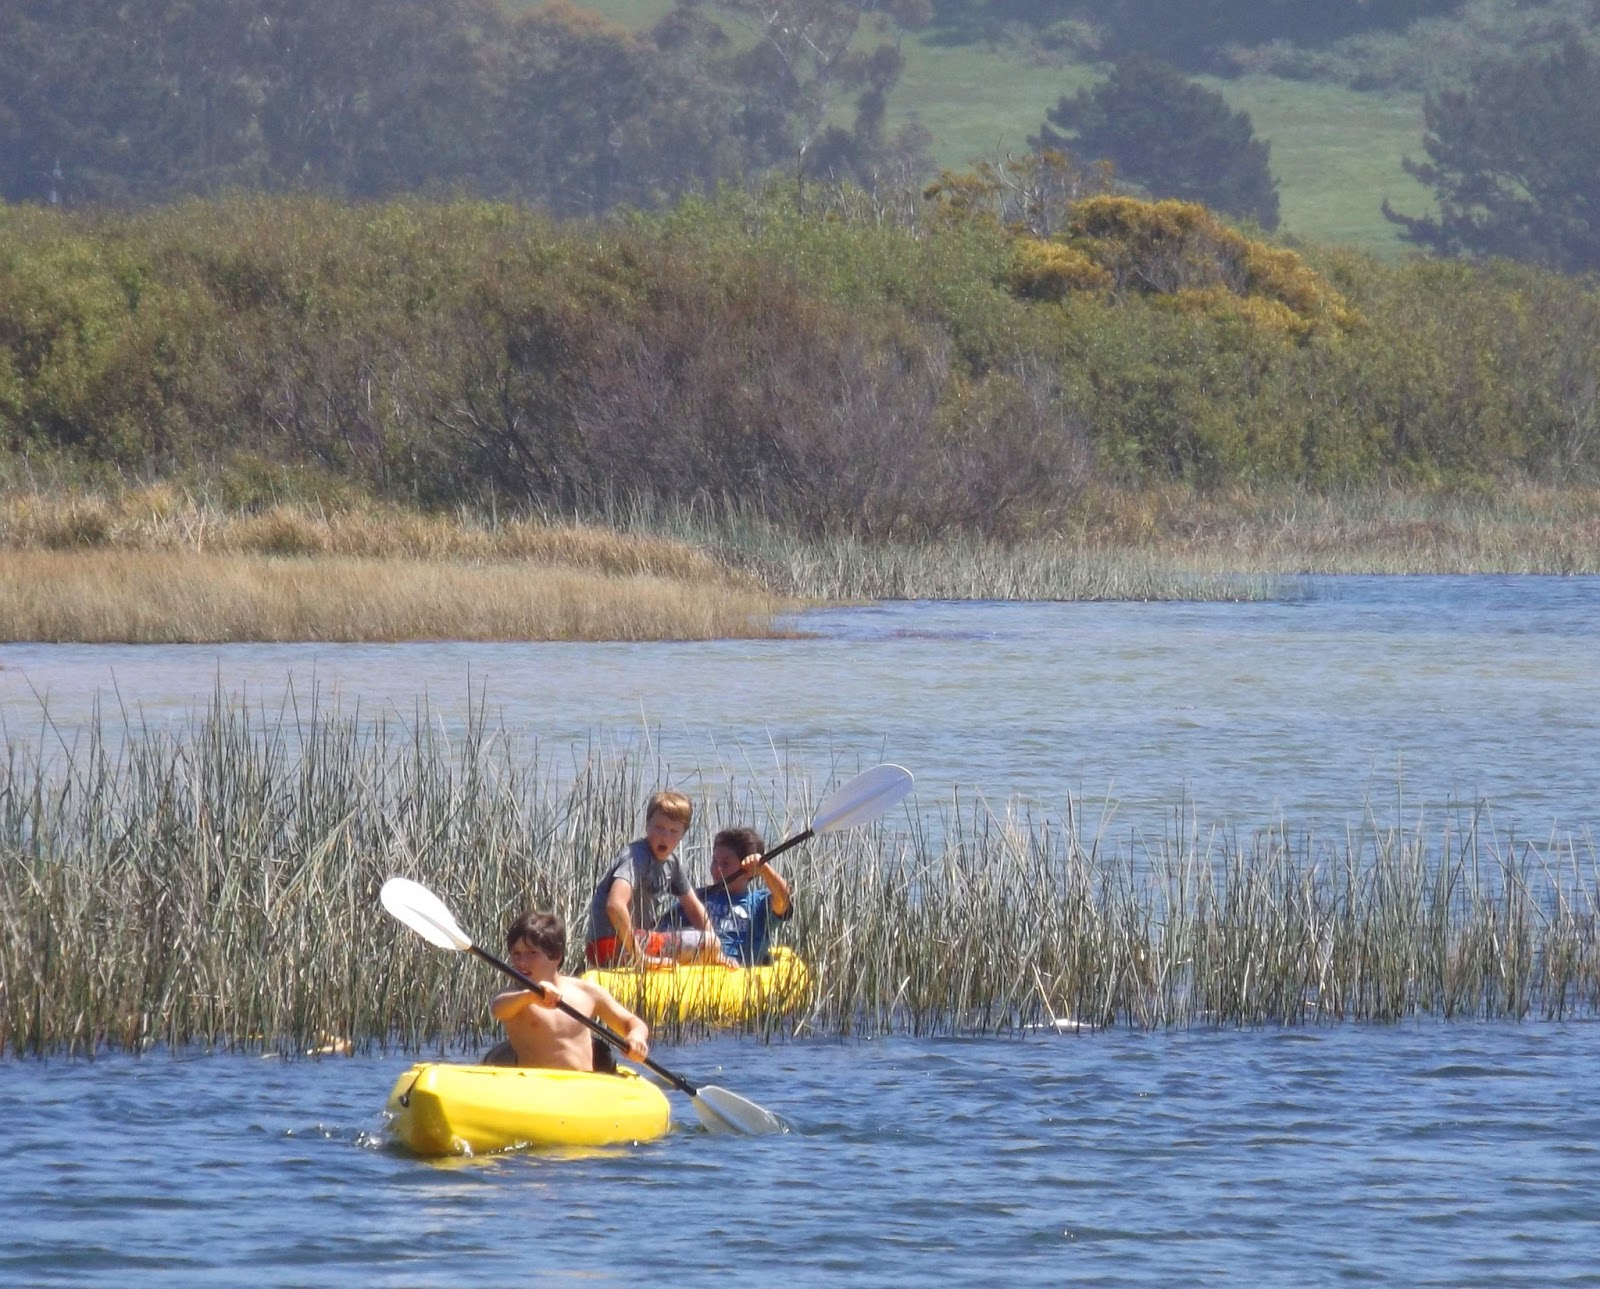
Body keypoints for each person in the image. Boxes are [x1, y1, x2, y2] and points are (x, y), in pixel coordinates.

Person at [486, 909, 648, 1072]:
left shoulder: (587, 992)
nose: (522, 962)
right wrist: (529, 996)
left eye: (532, 953)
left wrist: (636, 1037)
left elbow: (631, 1022)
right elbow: (498, 1009)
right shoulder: (515, 994)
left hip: (582, 1081)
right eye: (516, 953)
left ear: (556, 956)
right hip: (537, 1082)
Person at [583, 789, 725, 968]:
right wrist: (640, 958)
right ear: (647, 825)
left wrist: (716, 952)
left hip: (630, 942)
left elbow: (693, 907)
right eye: (659, 828)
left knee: (711, 941)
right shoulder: (636, 857)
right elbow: (614, 905)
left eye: (673, 831)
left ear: (683, 835)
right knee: (709, 942)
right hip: (608, 946)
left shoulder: (671, 863)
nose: (665, 837)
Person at [692, 826, 793, 966]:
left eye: (725, 863)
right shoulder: (697, 897)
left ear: (748, 871)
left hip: (737, 971)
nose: (717, 869)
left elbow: (783, 899)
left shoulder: (758, 903)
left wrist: (764, 869)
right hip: (698, 968)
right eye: (715, 861)